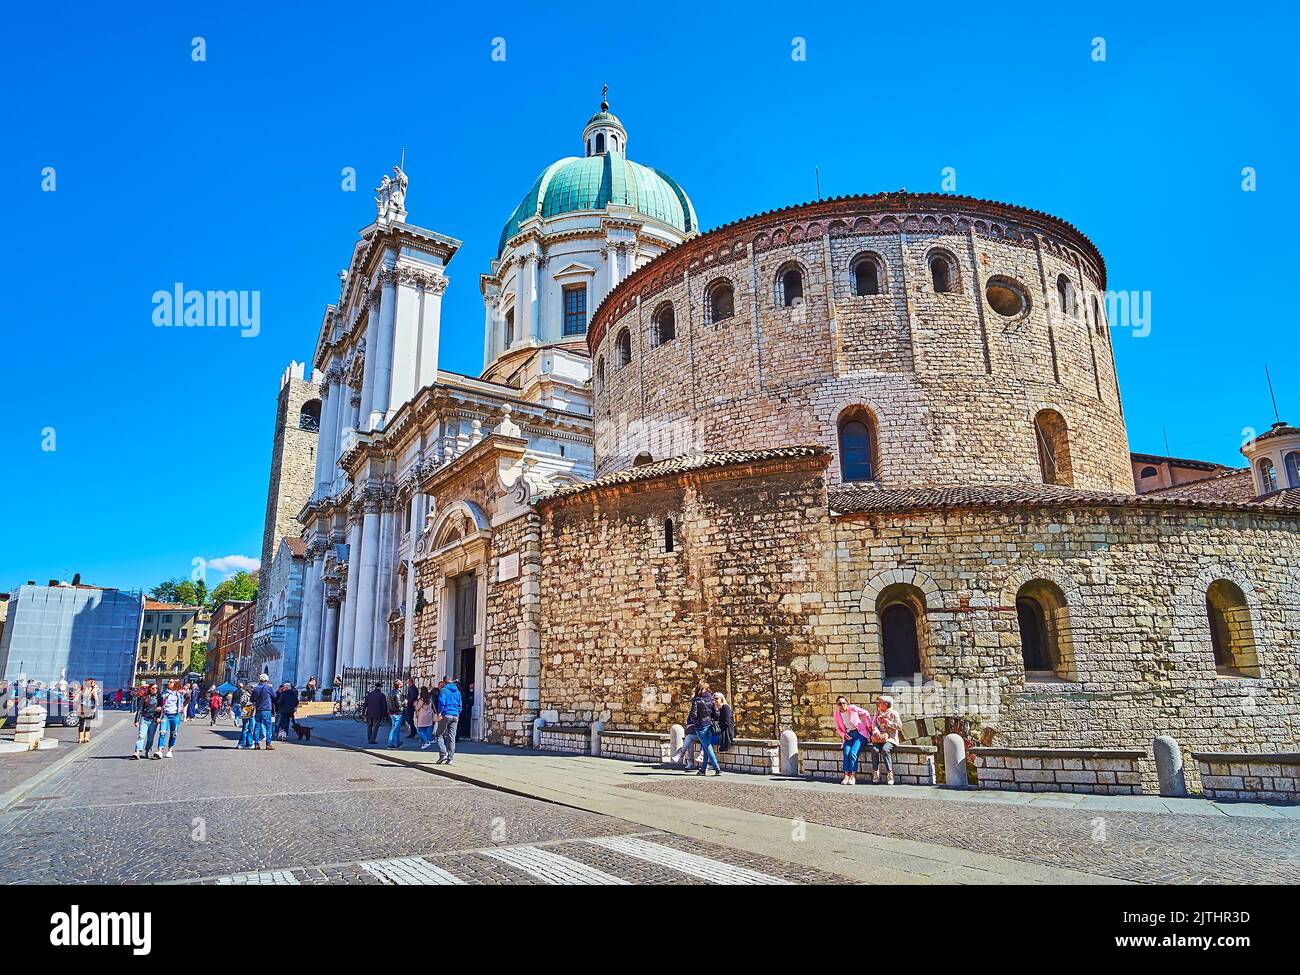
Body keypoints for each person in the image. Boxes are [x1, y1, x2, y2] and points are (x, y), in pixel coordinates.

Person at [835, 695, 874, 785]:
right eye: (840, 704)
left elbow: (866, 713)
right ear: (837, 705)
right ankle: (846, 775)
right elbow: (838, 728)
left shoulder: (852, 709)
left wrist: (869, 726)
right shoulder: (837, 714)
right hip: (849, 735)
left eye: (844, 703)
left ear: (847, 703)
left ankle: (852, 775)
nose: (842, 705)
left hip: (860, 734)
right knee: (846, 752)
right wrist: (844, 735)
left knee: (853, 753)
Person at [687, 682, 721, 776]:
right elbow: (717, 714)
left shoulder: (696, 700)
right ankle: (702, 770)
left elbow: (693, 715)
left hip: (700, 726)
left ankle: (717, 768)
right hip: (709, 725)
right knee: (706, 747)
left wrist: (695, 722)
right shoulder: (711, 700)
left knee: (708, 747)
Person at [869, 694, 902, 785]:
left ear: (886, 704)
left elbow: (899, 726)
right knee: (874, 749)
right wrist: (877, 733)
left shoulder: (894, 713)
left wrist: (888, 722)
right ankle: (876, 772)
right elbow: (874, 724)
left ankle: (889, 773)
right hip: (879, 738)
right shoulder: (877, 712)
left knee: (885, 749)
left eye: (880, 702)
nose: (878, 704)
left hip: (890, 738)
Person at [434, 676, 462, 765]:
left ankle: (443, 754)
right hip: (455, 715)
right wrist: (458, 712)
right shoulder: (457, 691)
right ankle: (450, 758)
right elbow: (460, 704)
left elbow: (442, 702)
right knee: (452, 737)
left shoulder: (444, 690)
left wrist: (439, 713)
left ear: (444, 682)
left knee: (439, 734)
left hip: (446, 714)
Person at [133, 683, 162, 760]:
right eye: (153, 688)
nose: (155, 689)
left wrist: (159, 716)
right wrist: (136, 720)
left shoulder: (159, 697)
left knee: (150, 738)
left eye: (156, 688)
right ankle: (137, 752)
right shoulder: (145, 697)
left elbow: (161, 708)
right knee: (141, 736)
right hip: (144, 718)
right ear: (150, 689)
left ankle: (147, 751)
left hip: (153, 720)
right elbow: (140, 709)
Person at [249, 674, 276, 750]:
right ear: (267, 680)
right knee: (268, 726)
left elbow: (252, 699)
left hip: (258, 709)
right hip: (267, 709)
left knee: (257, 726)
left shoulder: (256, 688)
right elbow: (274, 696)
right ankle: (268, 744)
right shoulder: (268, 687)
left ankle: (256, 744)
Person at [76, 677, 100, 744]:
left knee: (84, 723)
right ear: (89, 682)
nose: (94, 683)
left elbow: (76, 698)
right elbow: (96, 700)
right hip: (86, 709)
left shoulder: (84, 688)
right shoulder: (90, 689)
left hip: (85, 709)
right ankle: (84, 738)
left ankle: (83, 738)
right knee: (85, 723)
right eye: (93, 682)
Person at [385, 681, 405, 749]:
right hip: (397, 713)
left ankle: (397, 743)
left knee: (396, 728)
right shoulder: (397, 693)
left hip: (392, 712)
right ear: (399, 685)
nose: (402, 684)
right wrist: (404, 702)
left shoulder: (391, 692)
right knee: (395, 729)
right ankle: (390, 744)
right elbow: (399, 705)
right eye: (401, 683)